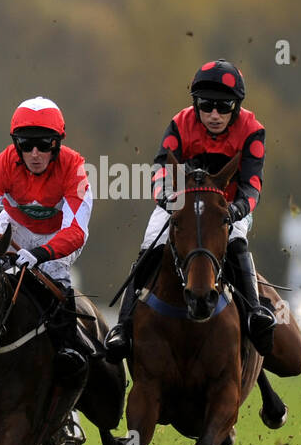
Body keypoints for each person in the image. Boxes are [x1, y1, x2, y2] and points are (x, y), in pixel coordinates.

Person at [105, 59, 273, 360]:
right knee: (150, 246)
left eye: (224, 107)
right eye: (206, 106)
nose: (214, 115)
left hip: (226, 205)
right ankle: (124, 325)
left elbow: (252, 185)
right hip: (180, 202)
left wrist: (236, 210)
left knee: (236, 243)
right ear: (195, 104)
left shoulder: (253, 130)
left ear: (236, 107)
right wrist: (165, 197)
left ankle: (255, 313)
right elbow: (159, 169)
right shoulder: (180, 123)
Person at [0, 96, 96, 382]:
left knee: (55, 276)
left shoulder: (74, 168)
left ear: (57, 143)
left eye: (44, 145)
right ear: (15, 144)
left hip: (58, 233)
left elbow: (76, 231)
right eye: (25, 145)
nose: (35, 154)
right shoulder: (2, 164)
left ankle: (68, 347)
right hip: (15, 227)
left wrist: (43, 253)